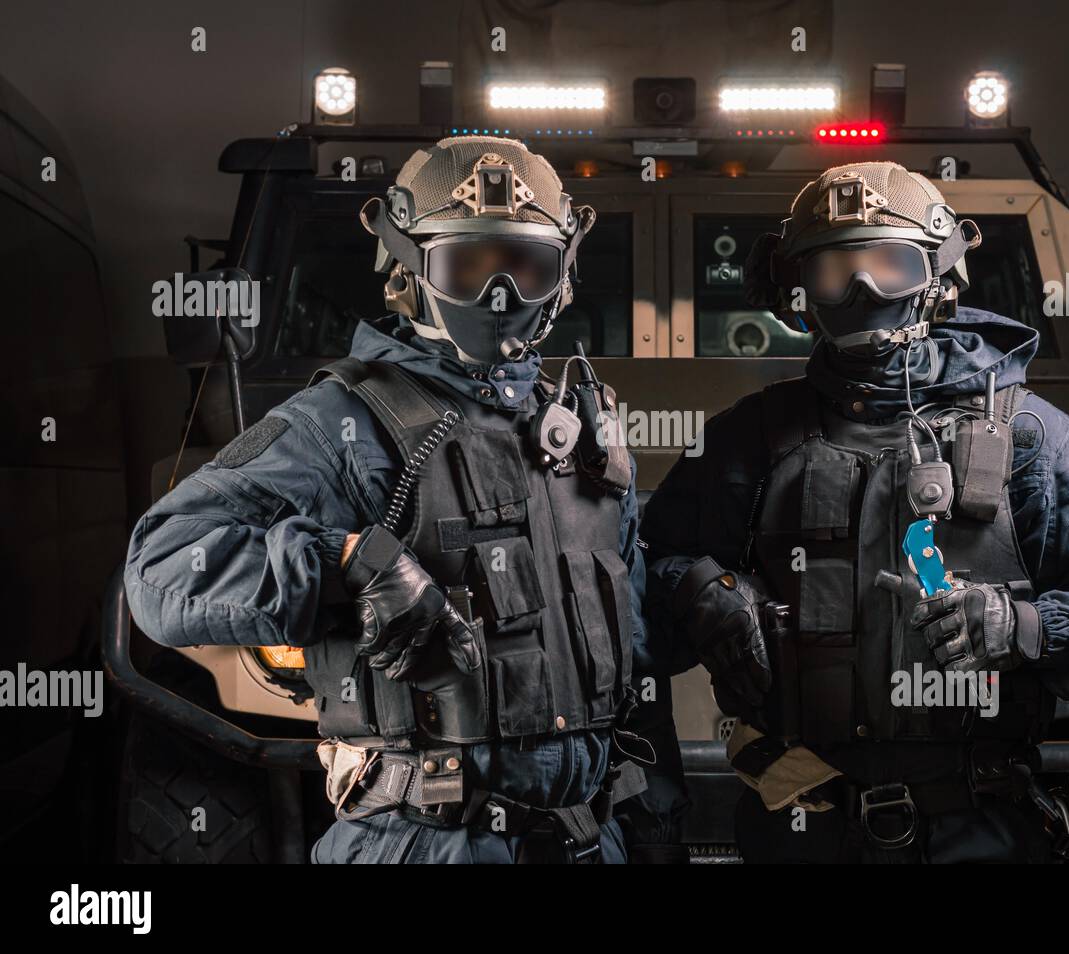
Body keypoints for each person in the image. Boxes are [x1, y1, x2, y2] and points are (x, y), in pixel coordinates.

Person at [125, 136, 686, 864]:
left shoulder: (583, 432)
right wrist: (341, 565)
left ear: (563, 275)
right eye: (470, 264)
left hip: (588, 837)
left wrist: (660, 820)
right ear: (408, 269)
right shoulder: (342, 421)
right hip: (422, 841)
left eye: (526, 266)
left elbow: (633, 655)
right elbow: (158, 567)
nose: (500, 294)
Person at [641, 160, 1069, 863]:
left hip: (981, 827)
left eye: (889, 264)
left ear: (939, 276)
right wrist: (705, 597)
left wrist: (1020, 626)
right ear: (799, 287)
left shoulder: (1030, 437)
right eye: (837, 269)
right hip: (803, 825)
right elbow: (642, 583)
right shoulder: (746, 440)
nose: (863, 288)